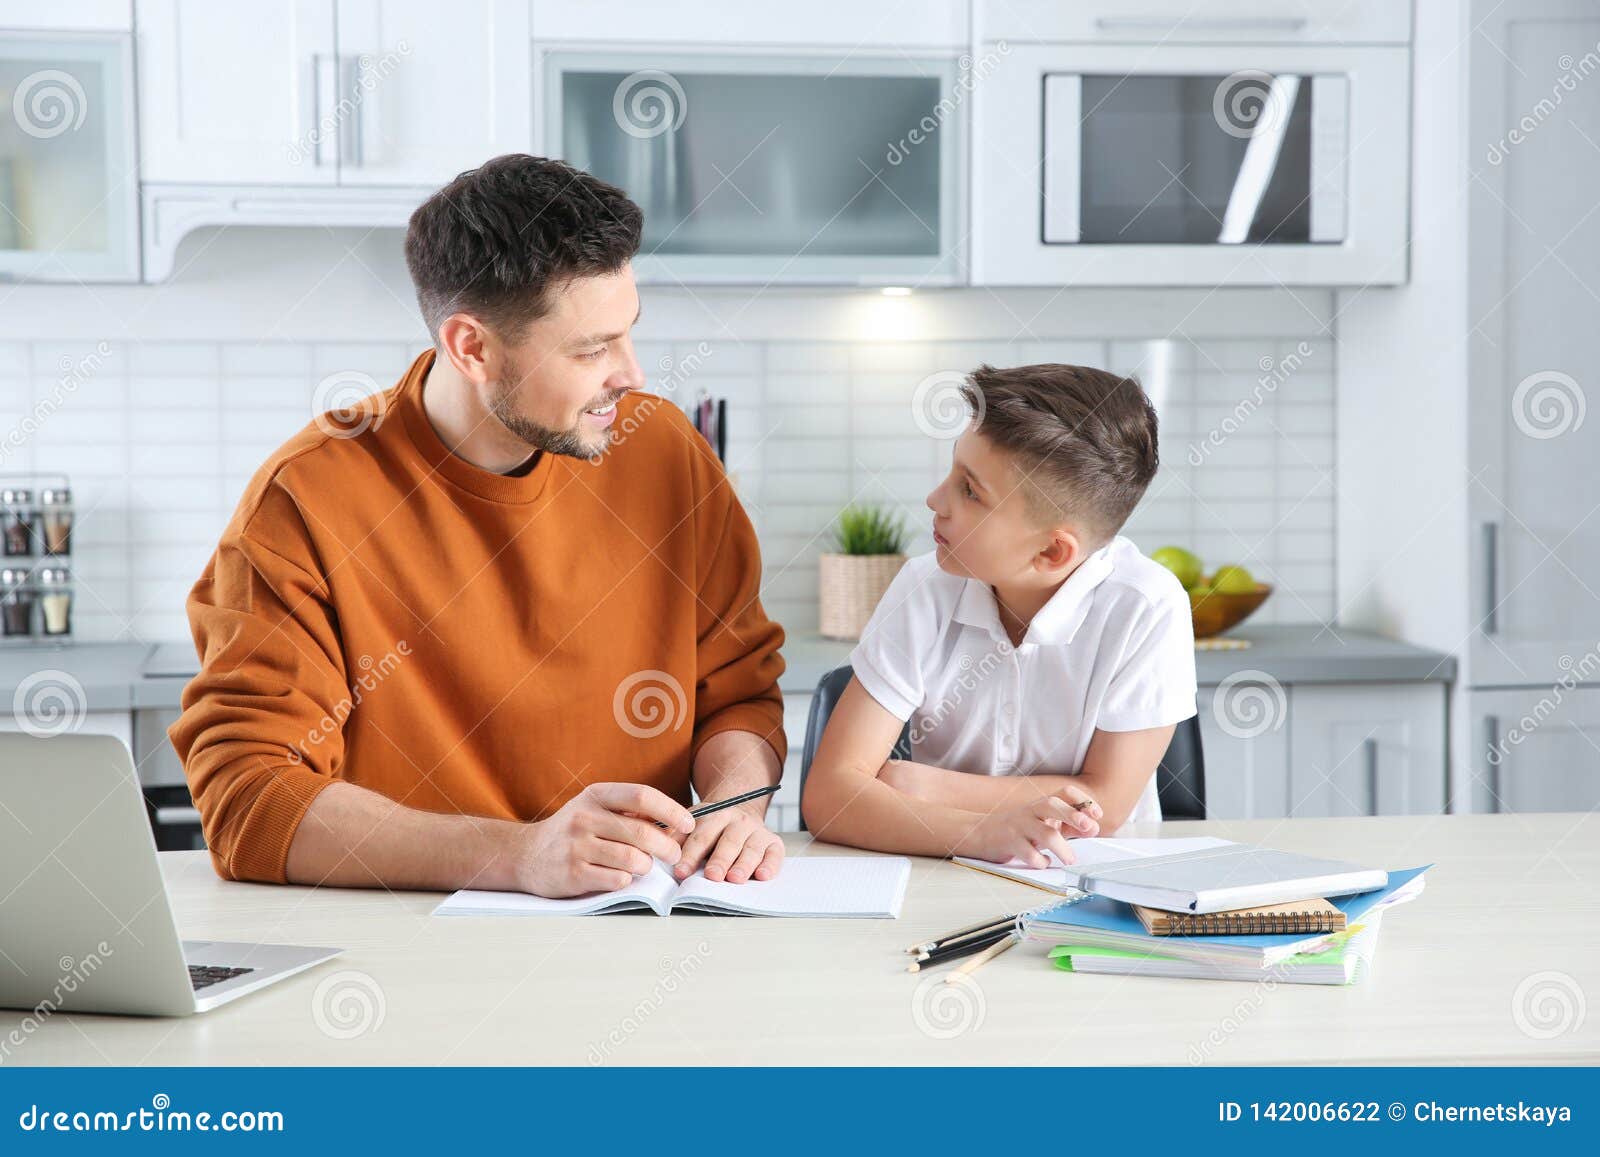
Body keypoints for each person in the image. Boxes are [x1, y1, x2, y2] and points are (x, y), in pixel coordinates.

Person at [171, 155, 787, 896]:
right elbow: (250, 797)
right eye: (592, 349)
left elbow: (738, 693)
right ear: (472, 347)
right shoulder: (305, 497)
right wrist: (517, 856)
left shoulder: (664, 453)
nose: (633, 373)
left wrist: (734, 800)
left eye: (627, 334)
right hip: (401, 950)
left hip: (637, 929)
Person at [800, 363, 1197, 865]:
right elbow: (830, 796)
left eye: (970, 491)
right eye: (952, 472)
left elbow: (1105, 807)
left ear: (1052, 553)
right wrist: (982, 834)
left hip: (1096, 884)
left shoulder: (1147, 605)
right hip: (939, 875)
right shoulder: (925, 587)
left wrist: (918, 784)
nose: (935, 500)